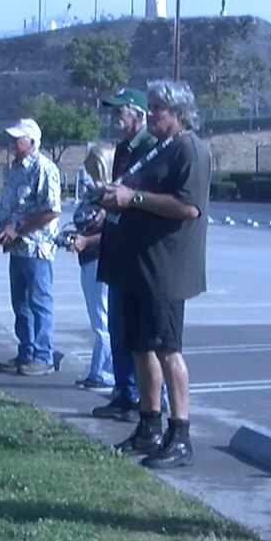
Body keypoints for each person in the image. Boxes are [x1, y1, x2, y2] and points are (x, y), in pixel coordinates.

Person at [99, 80, 210, 468]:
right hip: (136, 265)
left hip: (166, 268)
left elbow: (189, 207)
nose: (152, 114)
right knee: (140, 347)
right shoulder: (159, 147)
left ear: (179, 113)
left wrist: (135, 199)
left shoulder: (190, 149)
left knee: (167, 349)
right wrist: (113, 193)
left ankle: (180, 434)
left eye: (159, 108)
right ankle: (149, 426)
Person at [88, 88, 155, 422]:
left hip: (137, 248)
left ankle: (146, 401)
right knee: (117, 325)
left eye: (121, 112)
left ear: (139, 114)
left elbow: (145, 194)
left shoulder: (151, 147)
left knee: (137, 330)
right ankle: (123, 392)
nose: (116, 119)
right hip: (116, 244)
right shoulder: (123, 150)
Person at [0, 118, 62, 376]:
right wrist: (4, 229)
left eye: (17, 139)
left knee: (39, 302)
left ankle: (43, 357)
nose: (12, 143)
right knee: (20, 303)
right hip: (17, 248)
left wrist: (18, 228)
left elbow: (51, 211)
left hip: (37, 248)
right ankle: (26, 352)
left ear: (32, 142)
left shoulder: (43, 168)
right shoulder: (17, 168)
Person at [65, 143, 117, 390]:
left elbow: (114, 233)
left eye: (92, 161)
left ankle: (104, 372)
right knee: (97, 318)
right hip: (87, 259)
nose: (87, 164)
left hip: (102, 258)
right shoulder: (92, 193)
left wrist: (86, 240)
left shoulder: (112, 197)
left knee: (103, 318)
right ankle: (100, 369)